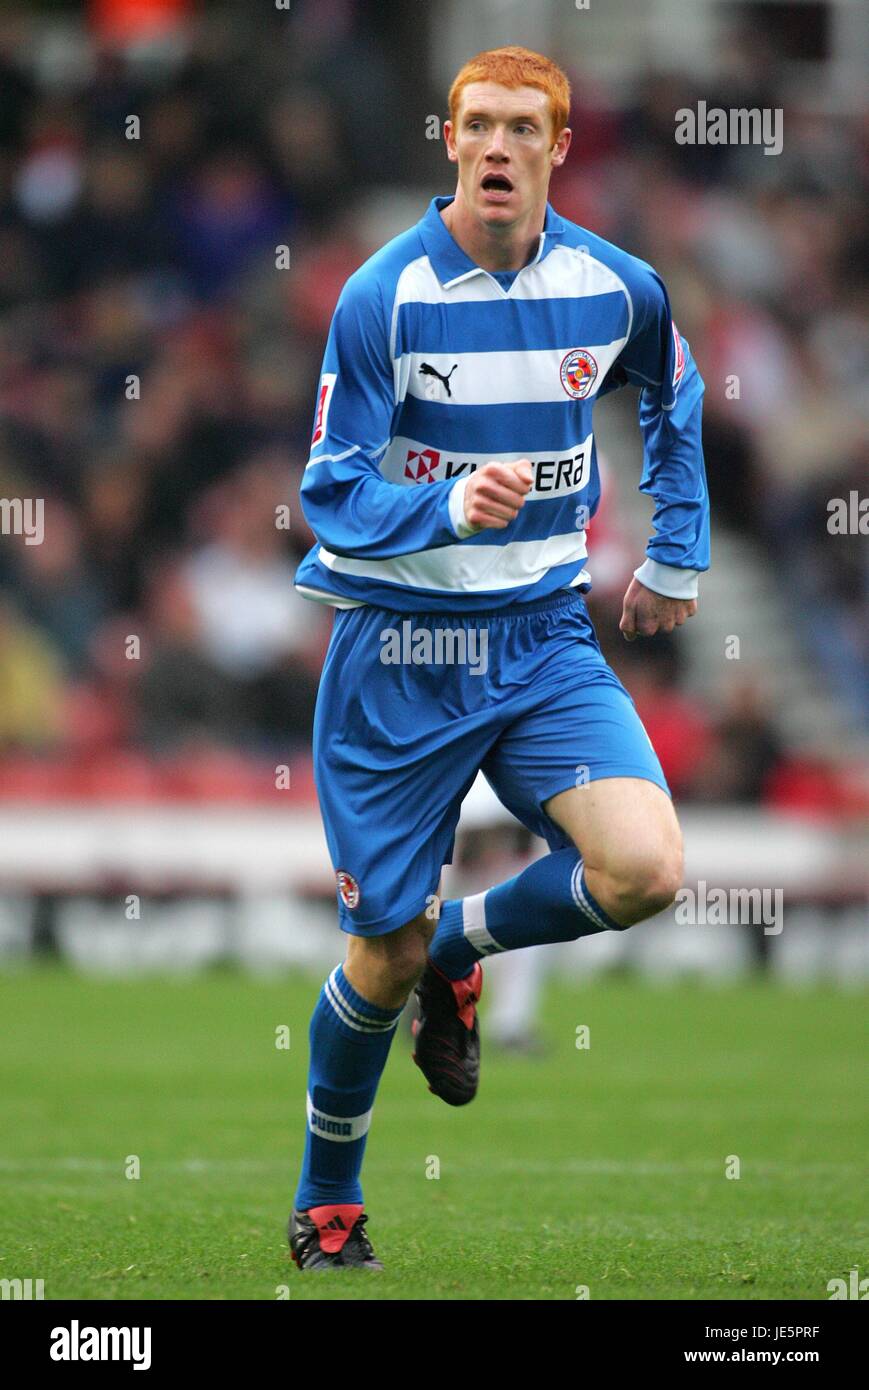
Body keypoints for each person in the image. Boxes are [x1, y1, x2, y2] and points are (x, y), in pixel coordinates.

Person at [288, 46, 709, 1270]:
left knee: (644, 870)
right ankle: (329, 1203)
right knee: (383, 952)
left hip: (541, 640)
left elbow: (670, 399)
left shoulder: (615, 285)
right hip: (399, 653)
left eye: (523, 128)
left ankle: (463, 950)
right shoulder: (383, 298)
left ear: (557, 148)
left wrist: (673, 556)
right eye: (477, 125)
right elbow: (329, 489)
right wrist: (445, 506)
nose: (496, 149)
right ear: (448, 139)